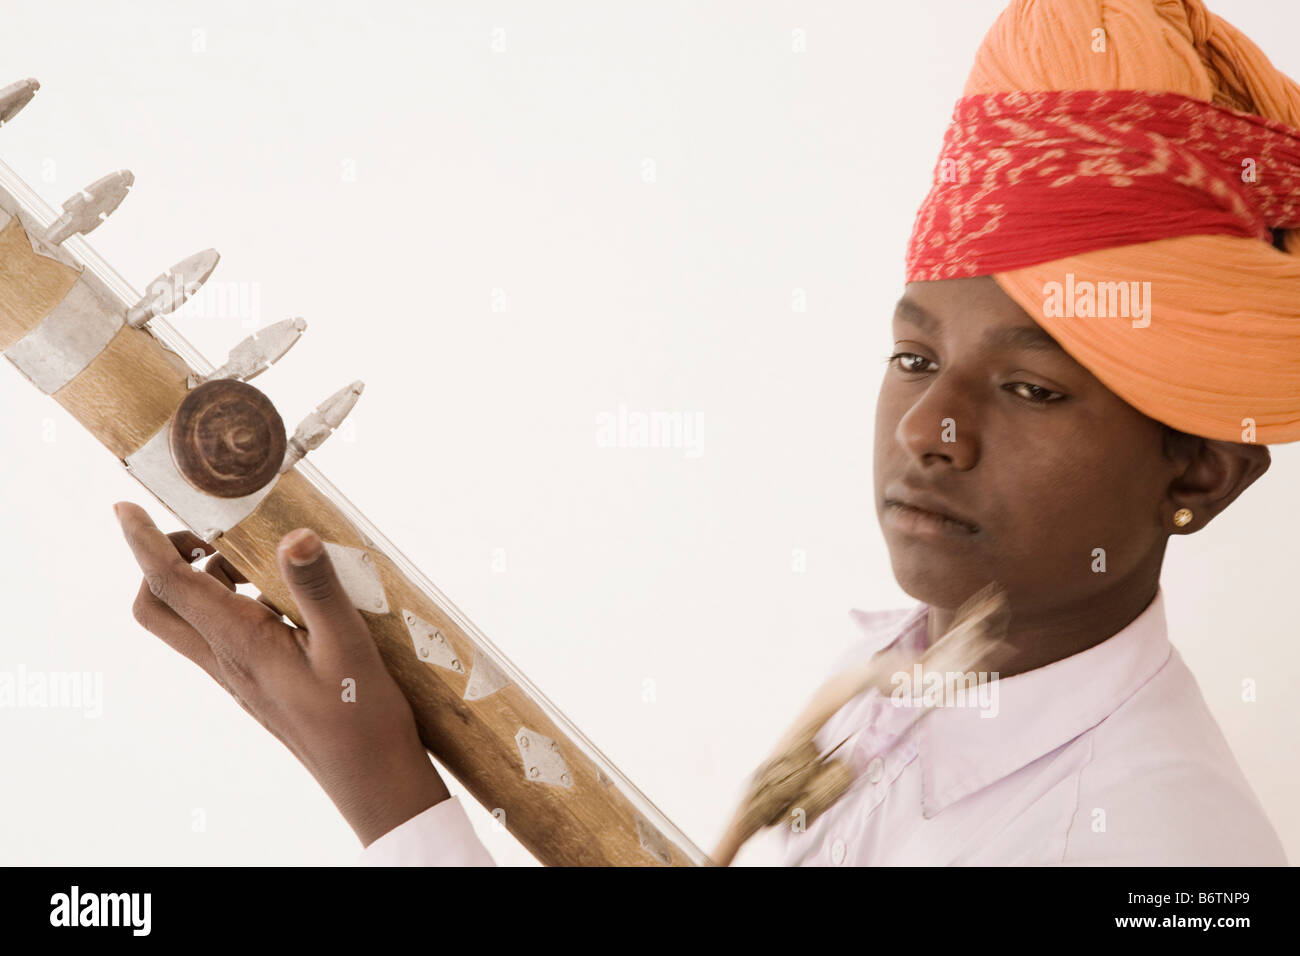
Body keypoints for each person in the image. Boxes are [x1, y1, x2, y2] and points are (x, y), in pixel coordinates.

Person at [115, 0, 1296, 866]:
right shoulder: (894, 684)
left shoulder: (1161, 845)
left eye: (1032, 389)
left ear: (1199, 467)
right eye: (915, 357)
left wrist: (391, 805)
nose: (931, 427)